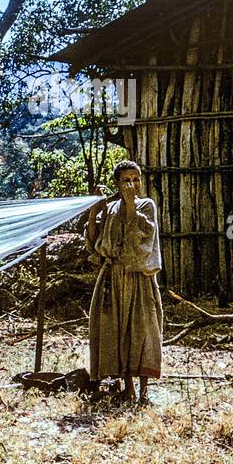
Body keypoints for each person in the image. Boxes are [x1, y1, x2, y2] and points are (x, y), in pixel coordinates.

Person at [84, 160, 164, 405]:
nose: (133, 184)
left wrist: (130, 206)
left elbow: (142, 239)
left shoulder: (146, 206)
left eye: (136, 179)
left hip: (139, 278)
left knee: (142, 330)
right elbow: (95, 244)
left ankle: (144, 390)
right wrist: (95, 210)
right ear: (117, 185)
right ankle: (125, 387)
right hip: (112, 279)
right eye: (126, 180)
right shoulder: (110, 209)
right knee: (115, 329)